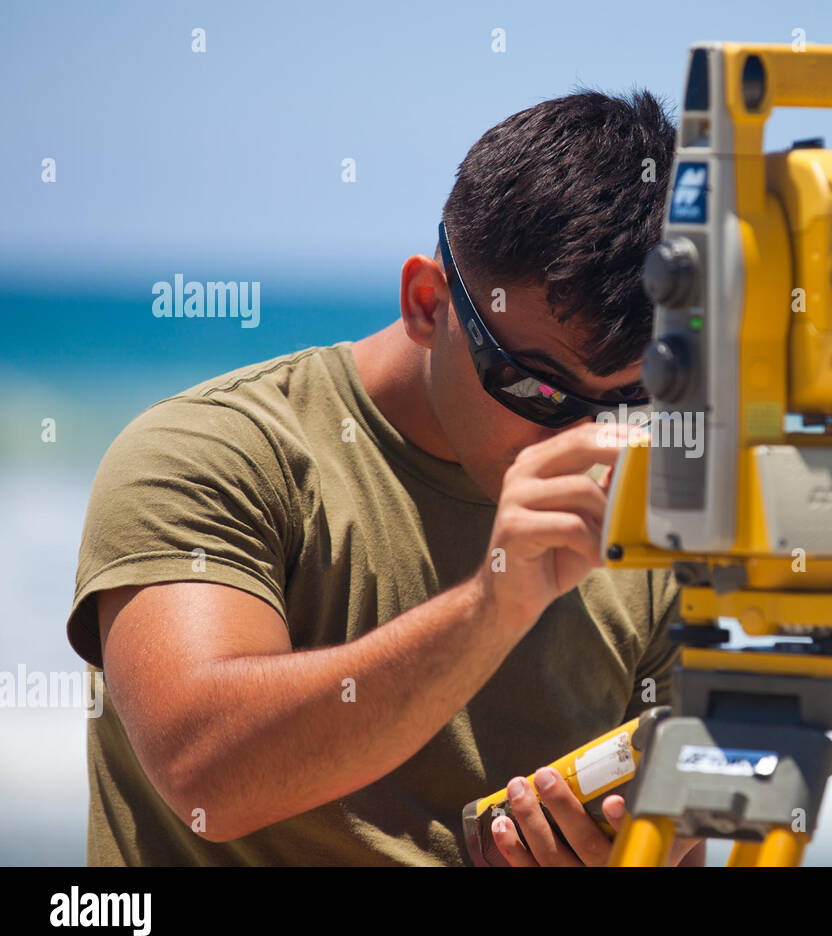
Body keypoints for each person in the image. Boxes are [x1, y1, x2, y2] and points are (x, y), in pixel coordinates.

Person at [65, 87, 705, 867]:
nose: (582, 440)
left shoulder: (642, 527)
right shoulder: (210, 452)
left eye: (631, 400)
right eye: (537, 389)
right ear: (427, 302)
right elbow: (207, 774)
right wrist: (491, 606)